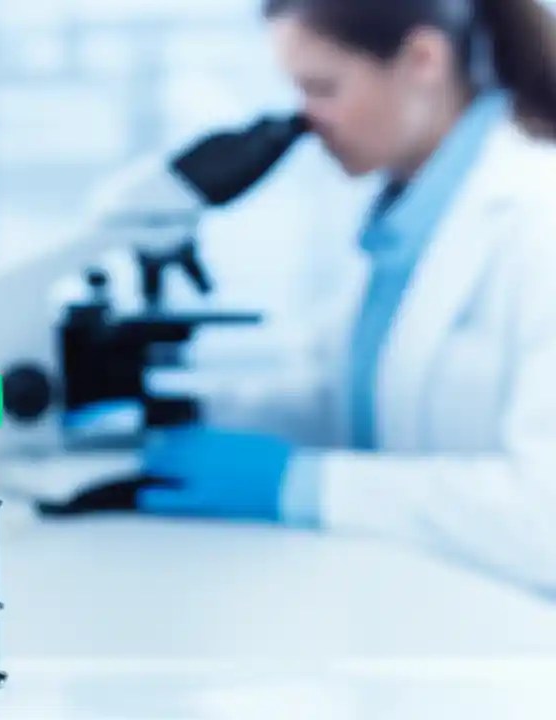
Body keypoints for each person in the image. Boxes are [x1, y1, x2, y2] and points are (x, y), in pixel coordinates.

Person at [135, 0, 556, 593]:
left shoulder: (538, 215)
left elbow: (545, 518)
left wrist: (306, 485)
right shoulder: (409, 216)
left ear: (422, 60)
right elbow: (351, 397)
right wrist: (181, 412)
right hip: (431, 611)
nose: (307, 121)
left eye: (323, 87)